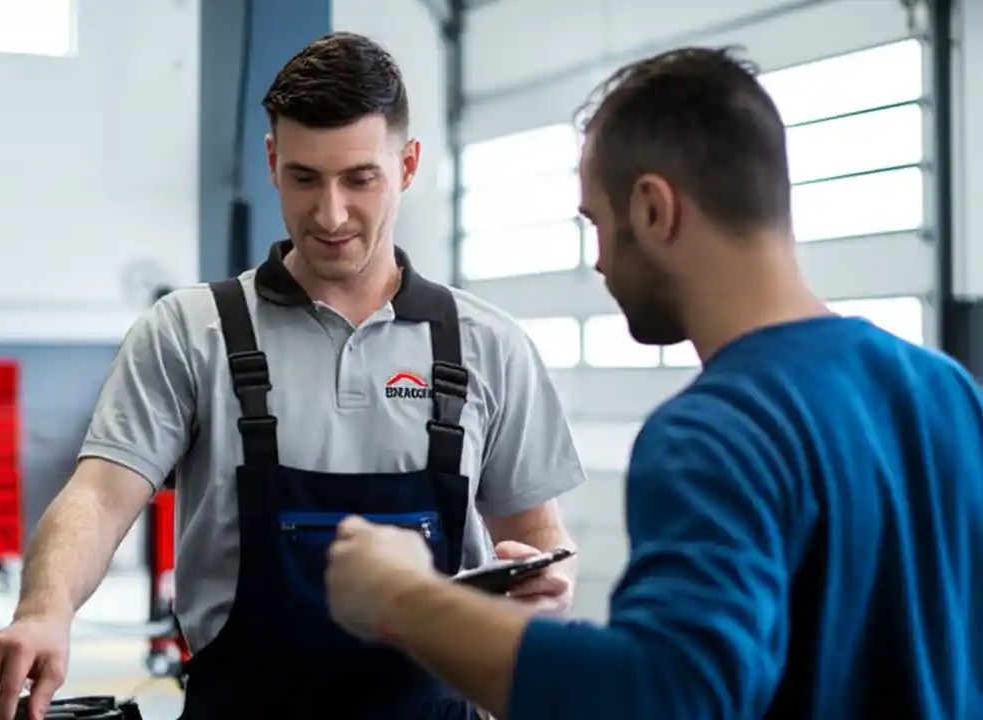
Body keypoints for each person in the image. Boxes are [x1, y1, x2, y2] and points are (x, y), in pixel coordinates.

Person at [324, 44, 983, 720]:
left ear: (652, 209)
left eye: (597, 223)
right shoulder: (948, 392)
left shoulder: (719, 432)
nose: (600, 263)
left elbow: (663, 696)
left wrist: (404, 598)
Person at [0, 31, 586, 720]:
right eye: (304, 178)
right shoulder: (189, 333)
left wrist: (549, 585)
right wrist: (43, 611)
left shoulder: (487, 346)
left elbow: (539, 537)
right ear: (271, 161)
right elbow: (100, 498)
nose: (330, 214)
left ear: (407, 165)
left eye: (360, 179)